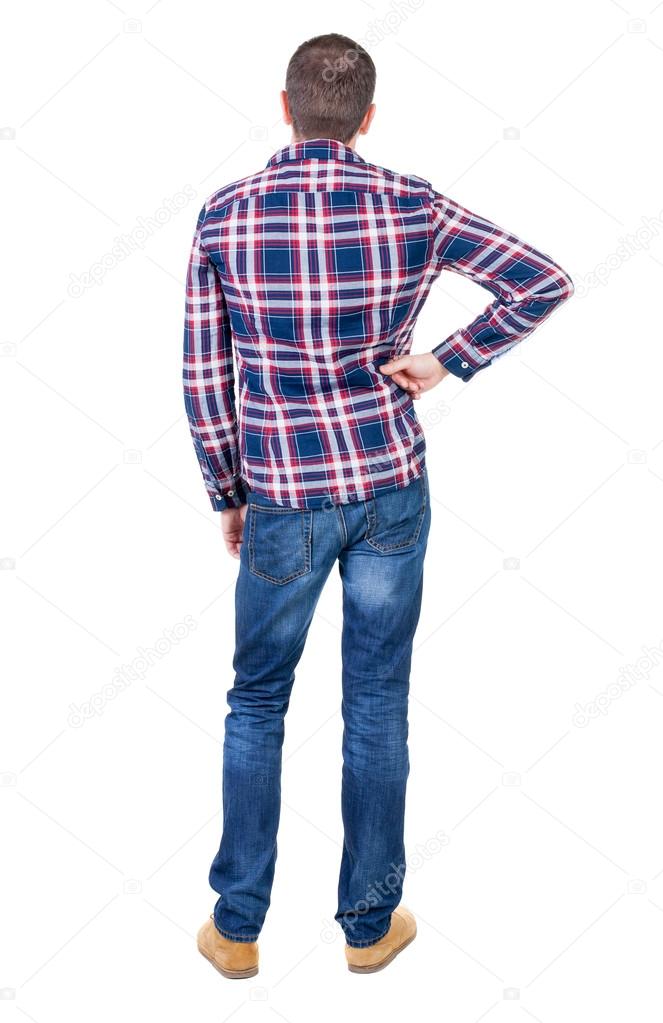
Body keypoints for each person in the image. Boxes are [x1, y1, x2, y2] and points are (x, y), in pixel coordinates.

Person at [185, 32, 574, 978]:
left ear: (286, 109)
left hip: (280, 492)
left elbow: (203, 374)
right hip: (388, 485)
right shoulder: (412, 201)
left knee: (256, 700)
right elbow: (542, 279)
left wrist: (228, 491)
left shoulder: (226, 212)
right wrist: (448, 360)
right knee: (375, 700)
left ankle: (237, 928)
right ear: (366, 118)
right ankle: (368, 926)